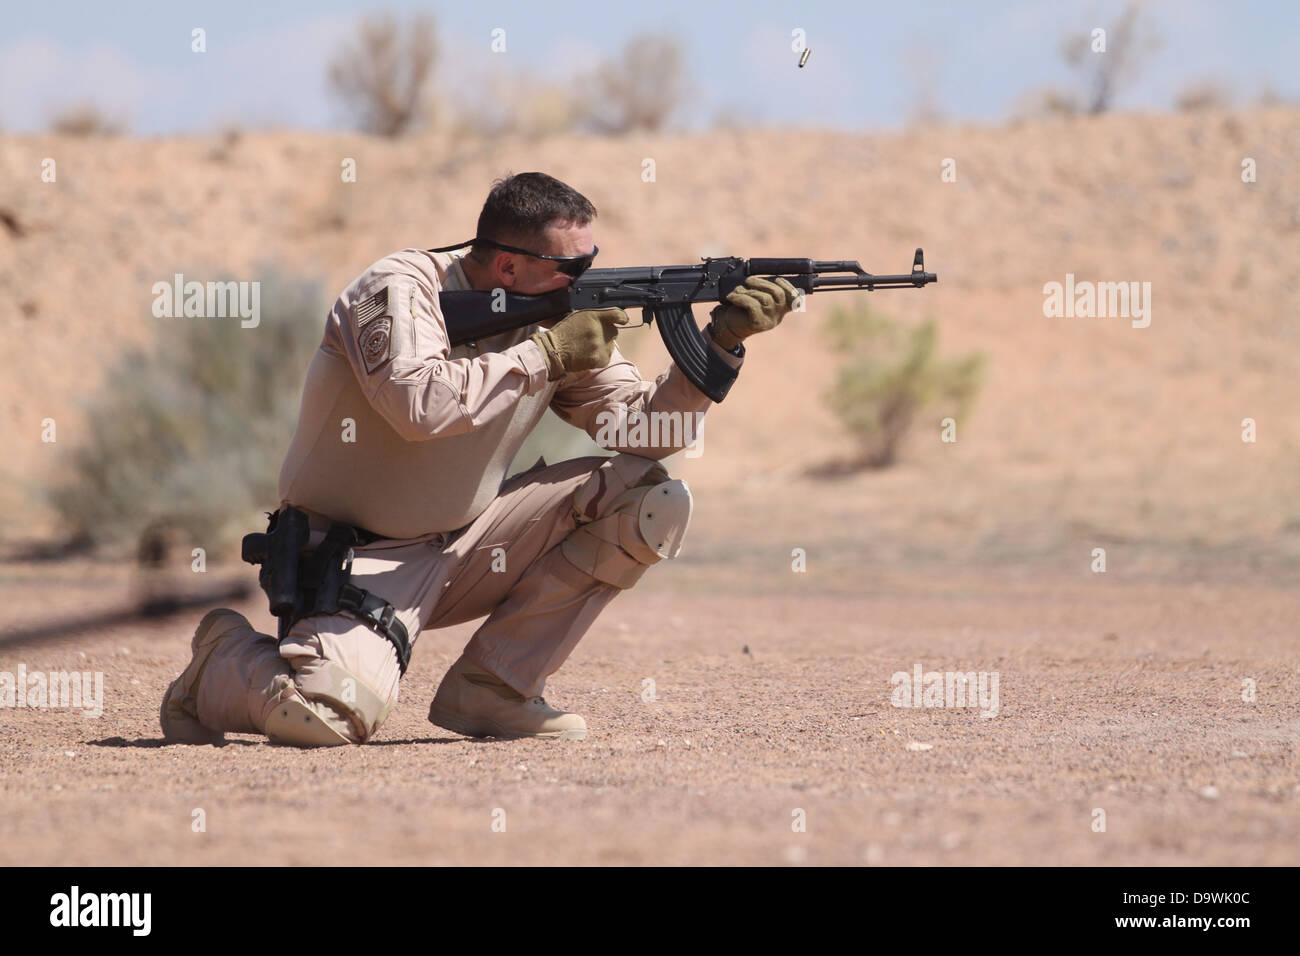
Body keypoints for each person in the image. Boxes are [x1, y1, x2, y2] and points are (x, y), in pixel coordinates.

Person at [159, 171, 796, 747]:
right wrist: (543, 357)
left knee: (648, 497)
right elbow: (417, 406)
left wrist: (720, 346)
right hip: (351, 559)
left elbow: (648, 430)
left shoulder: (556, 318)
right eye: (569, 266)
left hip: (471, 544)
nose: (586, 277)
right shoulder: (398, 289)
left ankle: (493, 688)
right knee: (325, 716)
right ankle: (223, 659)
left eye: (591, 260)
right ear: (510, 268)